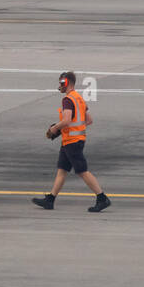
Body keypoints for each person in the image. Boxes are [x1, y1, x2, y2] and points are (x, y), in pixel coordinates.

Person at [34, 71, 111, 212]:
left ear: (66, 82)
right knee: (62, 170)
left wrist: (54, 129)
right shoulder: (79, 98)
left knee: (82, 171)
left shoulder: (68, 100)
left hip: (72, 142)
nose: (59, 86)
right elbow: (89, 120)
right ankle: (50, 200)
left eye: (61, 83)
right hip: (72, 140)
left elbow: (67, 120)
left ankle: (102, 198)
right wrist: (72, 129)